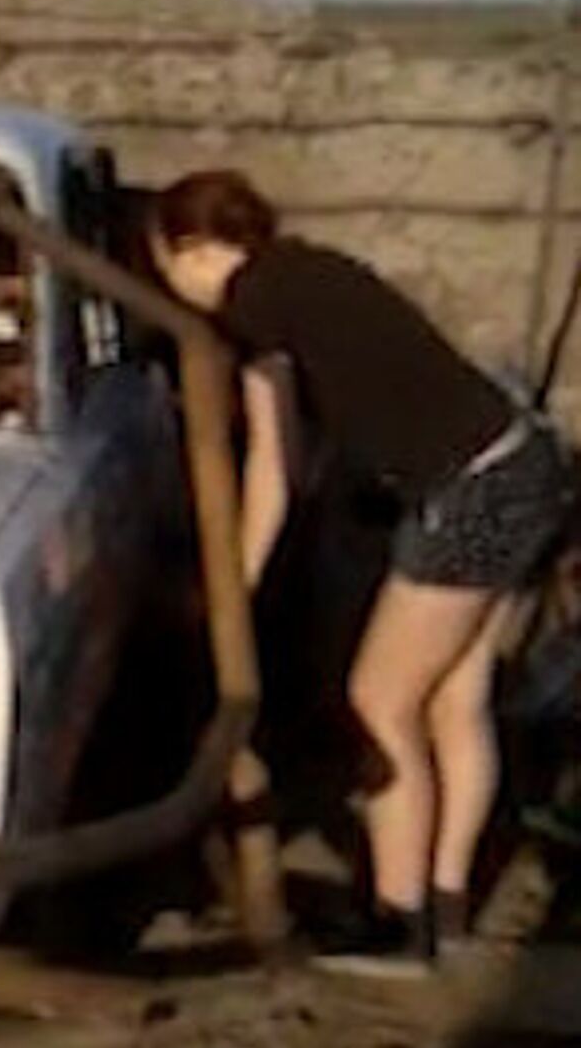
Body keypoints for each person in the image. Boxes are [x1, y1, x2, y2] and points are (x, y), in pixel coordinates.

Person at [147, 170, 576, 975]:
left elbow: (276, 466)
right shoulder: (315, 267)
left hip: (471, 490)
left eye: (165, 264)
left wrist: (232, 592)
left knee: (378, 703)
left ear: (197, 250)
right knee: (457, 699)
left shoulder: (251, 306)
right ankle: (446, 912)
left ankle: (398, 921)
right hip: (530, 464)